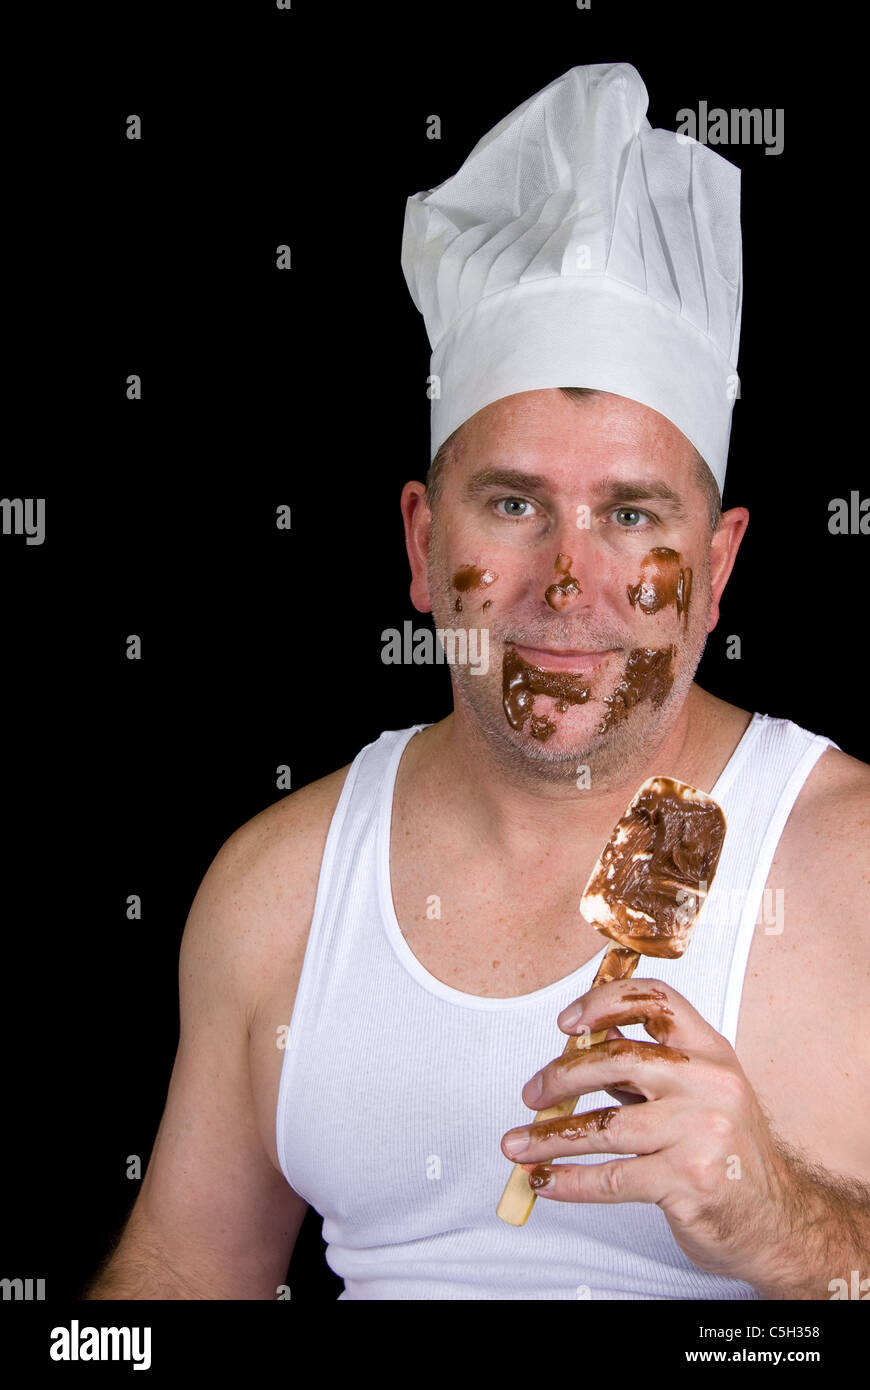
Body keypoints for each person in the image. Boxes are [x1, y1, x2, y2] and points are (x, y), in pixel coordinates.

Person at [84, 64, 870, 1301]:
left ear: (716, 570)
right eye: (514, 504)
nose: (567, 583)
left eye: (630, 514)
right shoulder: (281, 882)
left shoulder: (852, 864)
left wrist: (790, 1228)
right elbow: (179, 1277)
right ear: (420, 542)